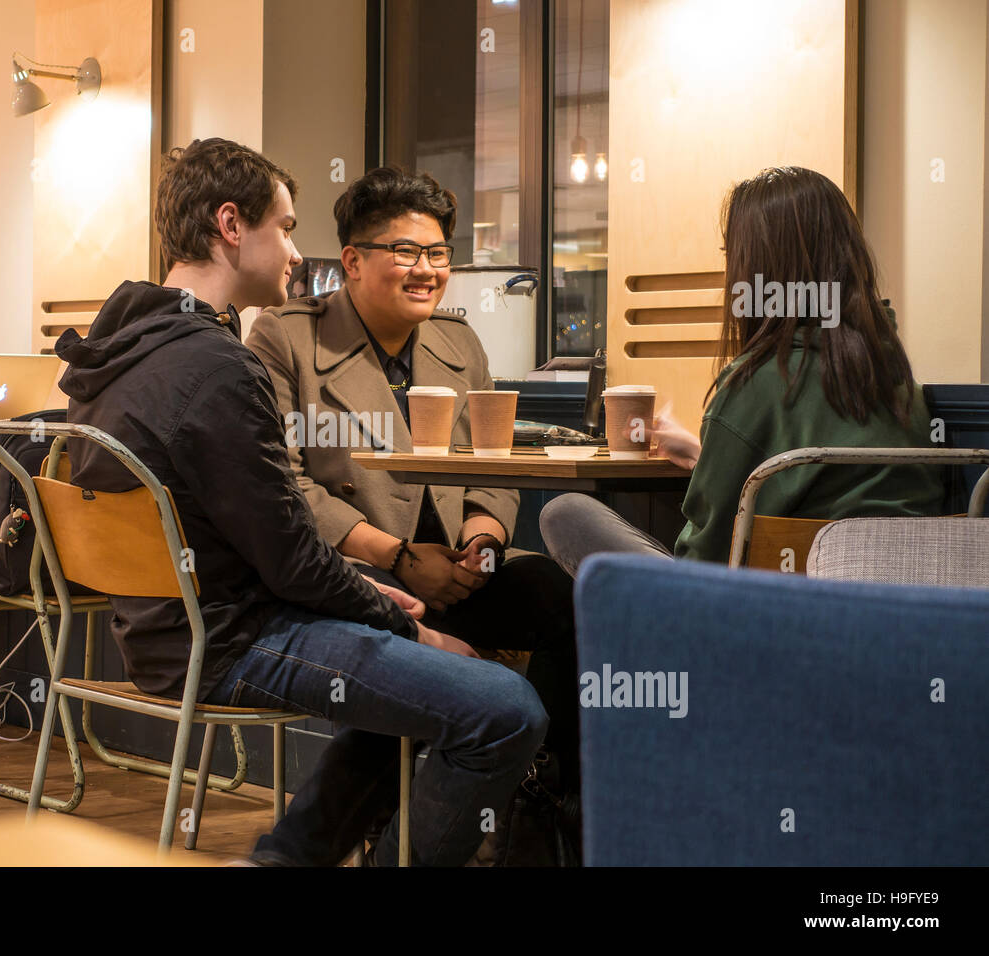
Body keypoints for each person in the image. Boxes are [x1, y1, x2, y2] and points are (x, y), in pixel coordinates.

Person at [55, 138, 547, 866]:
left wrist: (391, 611)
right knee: (507, 710)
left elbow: (278, 546)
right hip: (231, 639)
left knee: (430, 685)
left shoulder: (124, 347)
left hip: (165, 631)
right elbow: (290, 559)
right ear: (231, 225)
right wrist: (404, 621)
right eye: (283, 228)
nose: (294, 252)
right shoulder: (217, 366)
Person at [246, 166, 582, 834]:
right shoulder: (286, 338)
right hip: (355, 572)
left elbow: (492, 463)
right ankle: (354, 845)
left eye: (437, 255)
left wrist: (483, 546)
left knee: (554, 590)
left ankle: (549, 806)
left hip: (459, 571)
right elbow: (284, 485)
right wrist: (400, 558)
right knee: (426, 656)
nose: (425, 270)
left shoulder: (459, 341)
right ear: (354, 261)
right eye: (405, 253)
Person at [540, 166, 944, 572]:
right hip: (894, 610)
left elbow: (707, 553)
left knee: (565, 513)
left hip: (769, 614)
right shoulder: (896, 378)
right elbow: (816, 486)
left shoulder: (760, 381)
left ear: (756, 271)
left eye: (731, 255)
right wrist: (705, 457)